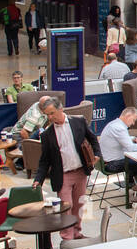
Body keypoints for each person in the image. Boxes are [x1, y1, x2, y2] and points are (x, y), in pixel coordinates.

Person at [33, 98, 100, 240]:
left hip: (81, 172)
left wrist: (97, 155)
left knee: (79, 205)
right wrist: (38, 179)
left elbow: (93, 139)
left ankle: (76, 233)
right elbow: (44, 160)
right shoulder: (47, 134)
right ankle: (67, 237)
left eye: (52, 113)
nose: (50, 117)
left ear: (61, 109)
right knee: (66, 208)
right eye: (47, 115)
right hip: (63, 175)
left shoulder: (78, 121)